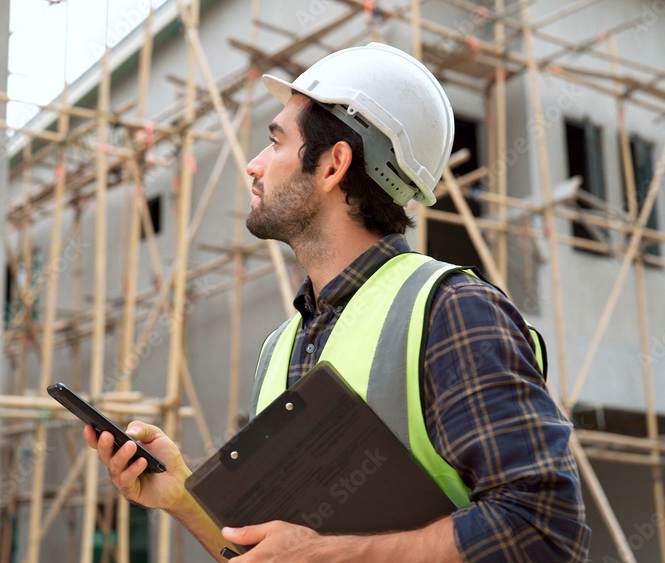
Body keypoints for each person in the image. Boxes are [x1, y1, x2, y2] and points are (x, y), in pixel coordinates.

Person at [84, 42, 591, 562]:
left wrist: (329, 553)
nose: (254, 165)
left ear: (333, 165)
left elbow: (544, 529)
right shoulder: (281, 346)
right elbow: (275, 554)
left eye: (275, 142)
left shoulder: (452, 310)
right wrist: (182, 498)